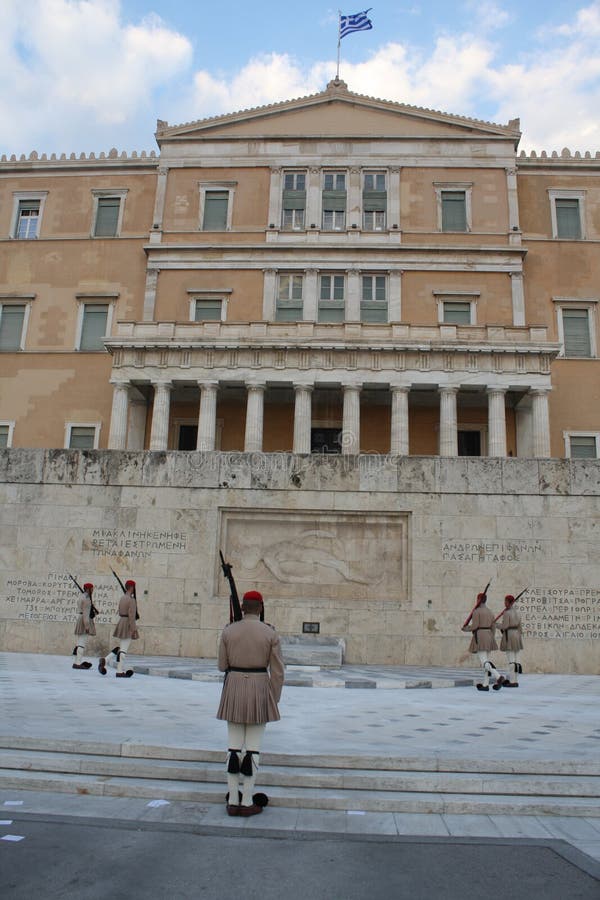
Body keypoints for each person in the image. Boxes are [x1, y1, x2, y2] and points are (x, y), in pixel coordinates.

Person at [217, 590, 285, 817]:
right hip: (258, 688)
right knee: (253, 748)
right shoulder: (270, 633)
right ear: (261, 607)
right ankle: (247, 801)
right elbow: (277, 671)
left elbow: (221, 665)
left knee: (233, 747)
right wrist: (273, 698)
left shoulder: (228, 631)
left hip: (234, 687)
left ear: (243, 608)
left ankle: (232, 799)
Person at [462, 592, 506, 691]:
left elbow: (475, 626)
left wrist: (465, 628)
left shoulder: (476, 612)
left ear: (478, 600)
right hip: (489, 635)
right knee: (487, 661)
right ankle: (485, 685)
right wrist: (491, 637)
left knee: (484, 662)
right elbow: (493, 627)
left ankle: (498, 677)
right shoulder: (490, 612)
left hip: (480, 635)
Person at [98, 579, 138, 678]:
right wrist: (133, 629)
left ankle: (106, 660)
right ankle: (119, 671)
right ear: (132, 588)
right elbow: (132, 616)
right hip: (128, 623)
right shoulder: (132, 600)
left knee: (121, 647)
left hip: (122, 621)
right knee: (123, 650)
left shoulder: (122, 598)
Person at [497, 594, 524, 687]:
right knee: (516, 660)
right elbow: (520, 628)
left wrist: (495, 625)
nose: (504, 603)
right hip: (517, 635)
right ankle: (515, 680)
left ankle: (513, 681)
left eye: (505, 601)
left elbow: (504, 626)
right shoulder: (518, 612)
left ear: (509, 602)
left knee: (511, 661)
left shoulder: (507, 613)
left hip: (510, 635)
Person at [72, 582, 96, 670]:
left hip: (81, 618)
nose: (93, 590)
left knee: (79, 642)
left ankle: (76, 661)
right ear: (88, 589)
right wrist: (87, 626)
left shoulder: (82, 596)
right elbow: (86, 614)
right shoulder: (87, 599)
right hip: (84, 620)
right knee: (81, 643)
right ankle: (78, 663)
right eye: (92, 589)